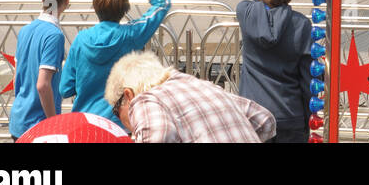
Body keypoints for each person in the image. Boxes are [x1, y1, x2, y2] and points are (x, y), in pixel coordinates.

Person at [59, 0, 171, 119]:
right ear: (125, 9)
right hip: (119, 123)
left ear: (96, 7)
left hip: (85, 121)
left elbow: (65, 88)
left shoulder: (81, 39)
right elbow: (163, 2)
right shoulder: (132, 35)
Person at [105, 51, 276, 143]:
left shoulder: (144, 100)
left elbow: (160, 137)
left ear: (128, 95)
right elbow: (265, 119)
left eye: (116, 111)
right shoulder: (204, 86)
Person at [236, 0, 312, 144]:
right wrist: (307, 121)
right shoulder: (301, 25)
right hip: (289, 116)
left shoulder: (244, 11)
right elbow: (307, 82)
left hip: (252, 115)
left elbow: (258, 1)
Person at [8, 0, 72, 141]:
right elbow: (43, 85)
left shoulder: (25, 30)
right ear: (66, 1)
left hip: (19, 119)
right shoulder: (54, 36)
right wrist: (54, 123)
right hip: (39, 125)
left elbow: (16, 78)